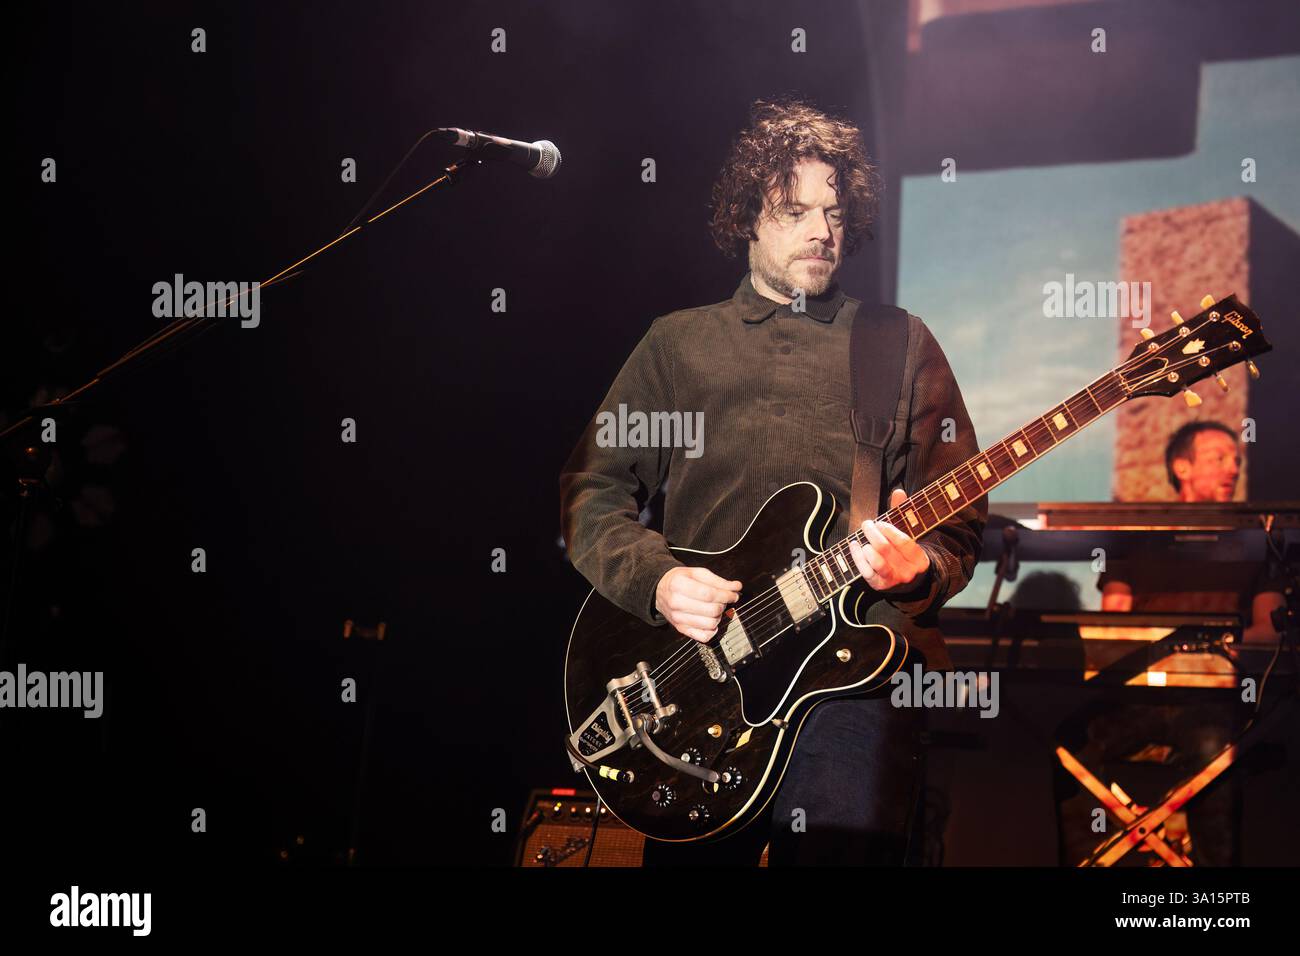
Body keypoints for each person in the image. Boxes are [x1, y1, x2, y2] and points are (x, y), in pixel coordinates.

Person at [558, 97, 985, 865]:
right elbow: (593, 492)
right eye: (795, 211)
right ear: (747, 221)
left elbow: (958, 521)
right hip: (690, 685)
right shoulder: (681, 344)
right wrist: (656, 581)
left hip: (851, 680)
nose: (823, 231)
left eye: (835, 211)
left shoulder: (899, 342)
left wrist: (922, 568)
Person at [1060, 422, 1286, 866]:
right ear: (1181, 467)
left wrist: (1215, 649)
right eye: (1219, 458)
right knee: (1071, 743)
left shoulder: (1258, 544)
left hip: (1215, 703)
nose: (1232, 468)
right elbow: (1114, 626)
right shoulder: (1137, 538)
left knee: (1214, 750)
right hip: (1137, 702)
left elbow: (1269, 632)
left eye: (1236, 460)